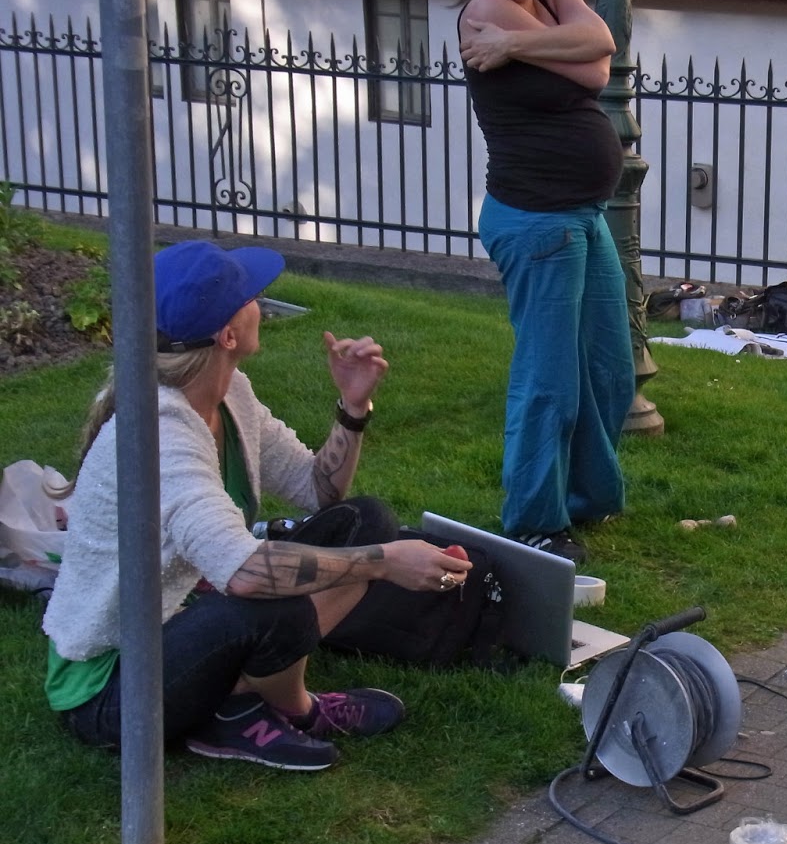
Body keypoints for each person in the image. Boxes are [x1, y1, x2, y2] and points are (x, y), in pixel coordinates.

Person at [41, 240, 472, 771]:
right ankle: (293, 708)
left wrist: (353, 405)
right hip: (111, 691)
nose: (259, 301)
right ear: (226, 335)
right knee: (277, 601)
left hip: (179, 620)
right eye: (248, 296)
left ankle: (236, 700)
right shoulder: (160, 436)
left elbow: (318, 493)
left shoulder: (230, 392)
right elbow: (245, 575)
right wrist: (386, 562)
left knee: (366, 522)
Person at [448, 0, 634, 565]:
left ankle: (587, 497)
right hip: (535, 220)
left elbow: (600, 51)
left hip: (582, 213)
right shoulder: (483, 13)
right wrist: (549, 44)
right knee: (549, 377)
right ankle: (532, 521)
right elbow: (586, 63)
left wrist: (522, 46)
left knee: (610, 369)